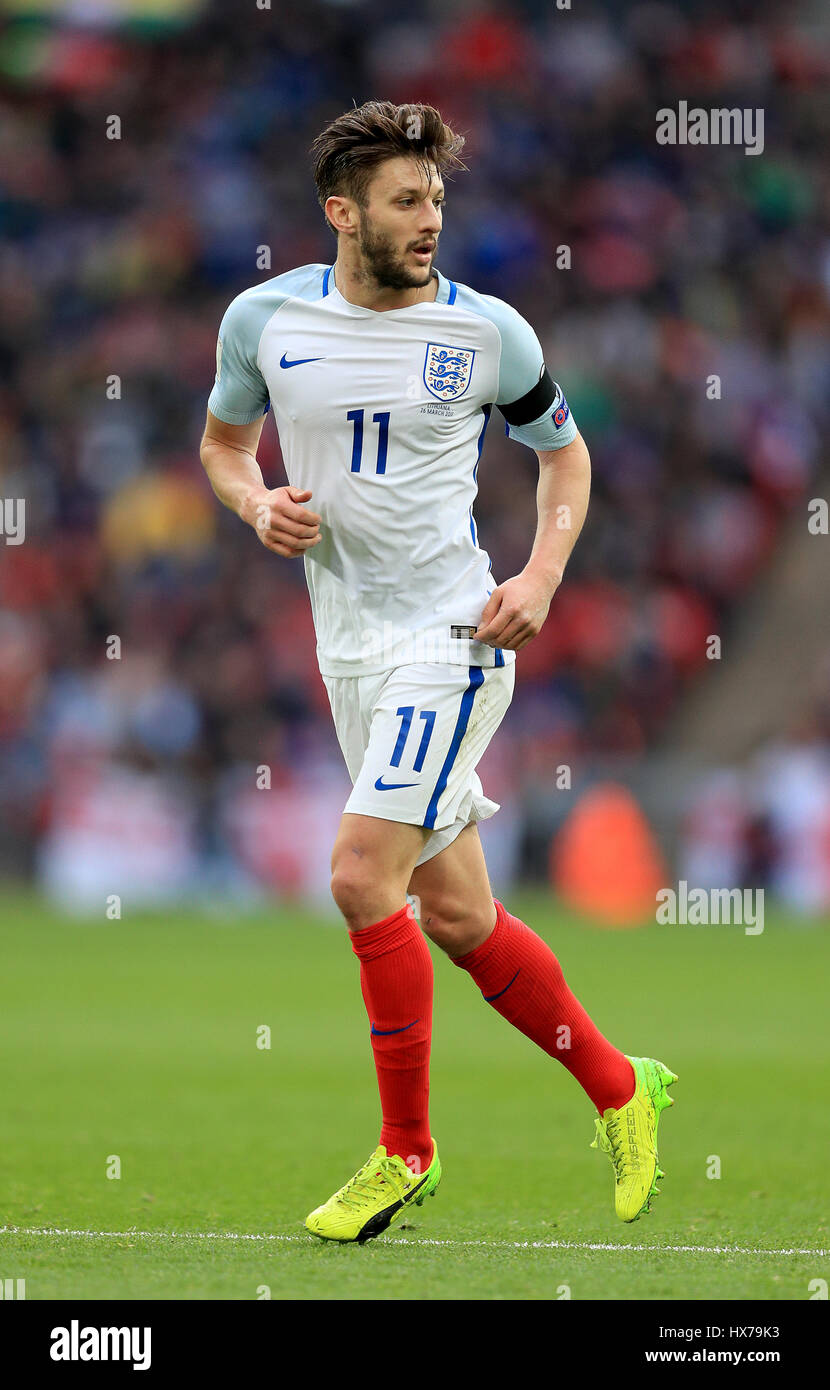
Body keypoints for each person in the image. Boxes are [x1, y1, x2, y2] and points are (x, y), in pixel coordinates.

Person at [200, 100, 677, 1244]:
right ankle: (622, 1086)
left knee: (362, 875)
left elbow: (563, 458)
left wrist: (542, 576)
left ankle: (403, 1153)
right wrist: (257, 501)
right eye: (406, 201)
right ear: (340, 210)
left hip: (454, 637)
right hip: (347, 647)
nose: (429, 222)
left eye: (436, 202)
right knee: (458, 914)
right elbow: (222, 449)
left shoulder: (487, 333)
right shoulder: (262, 320)